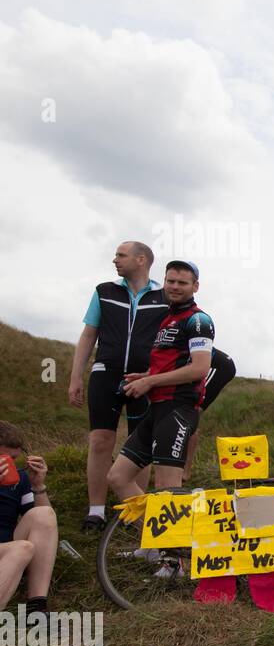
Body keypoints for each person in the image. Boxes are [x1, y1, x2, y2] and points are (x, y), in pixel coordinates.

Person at [69, 241, 169, 532]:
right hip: (105, 373)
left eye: (120, 255)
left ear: (141, 260)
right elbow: (89, 335)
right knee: (100, 441)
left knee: (140, 445)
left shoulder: (163, 297)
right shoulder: (105, 291)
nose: (115, 260)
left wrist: (156, 375)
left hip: (144, 378)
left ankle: (133, 510)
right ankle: (96, 511)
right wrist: (75, 377)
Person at [105, 260, 214, 504]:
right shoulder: (167, 319)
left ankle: (173, 543)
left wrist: (151, 381)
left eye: (182, 283)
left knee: (167, 490)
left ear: (195, 286)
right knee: (118, 477)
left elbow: (199, 368)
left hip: (178, 409)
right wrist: (145, 377)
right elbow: (172, 363)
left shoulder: (199, 320)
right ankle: (156, 539)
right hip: (157, 409)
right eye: (170, 281)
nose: (175, 287)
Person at [0, 422, 58, 613]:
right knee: (21, 549)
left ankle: (36, 609)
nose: (11, 464)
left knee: (43, 514)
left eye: (14, 459)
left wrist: (38, 486)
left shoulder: (20, 479)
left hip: (7, 551)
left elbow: (44, 526)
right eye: (4, 458)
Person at [182, 347, 237, 483]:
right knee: (180, 412)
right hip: (195, 363)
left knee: (188, 413)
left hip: (218, 366)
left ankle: (185, 472)